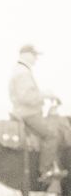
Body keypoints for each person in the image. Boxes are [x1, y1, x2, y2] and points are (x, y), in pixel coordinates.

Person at [8, 45, 65, 183]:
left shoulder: (20, 70)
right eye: (34, 55)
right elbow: (26, 97)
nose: (36, 59)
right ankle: (45, 171)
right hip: (27, 114)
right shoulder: (23, 72)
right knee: (51, 135)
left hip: (23, 112)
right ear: (25, 54)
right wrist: (46, 95)